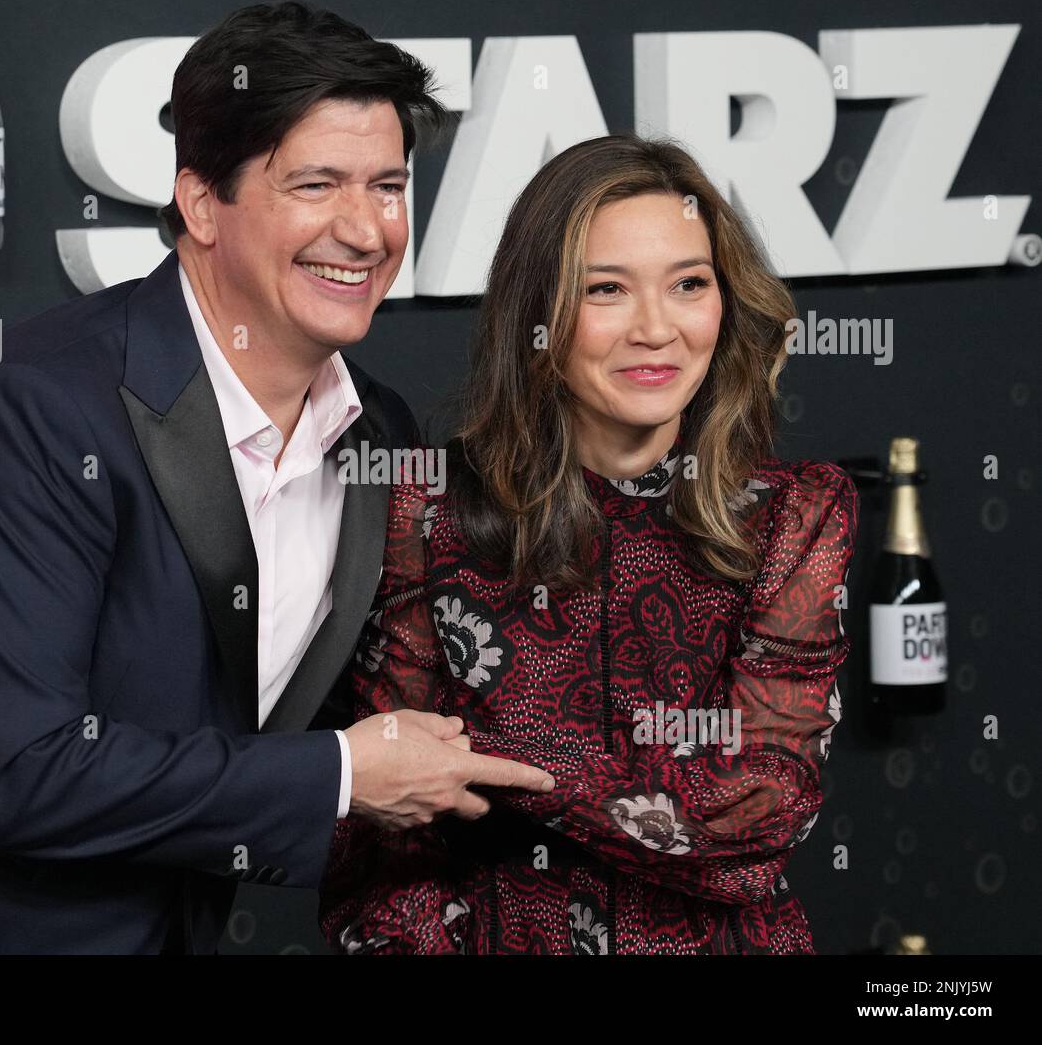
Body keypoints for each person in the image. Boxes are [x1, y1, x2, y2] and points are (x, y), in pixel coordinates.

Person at [0, 1, 552, 955]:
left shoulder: (376, 427)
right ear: (203, 202)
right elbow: (21, 773)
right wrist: (340, 776)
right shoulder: (32, 409)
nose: (366, 229)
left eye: (387, 185)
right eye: (316, 183)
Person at [318, 132, 860, 955]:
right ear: (537, 314)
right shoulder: (423, 506)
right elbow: (384, 831)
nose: (656, 329)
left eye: (689, 284)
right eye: (605, 289)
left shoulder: (795, 513)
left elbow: (764, 812)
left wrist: (492, 756)